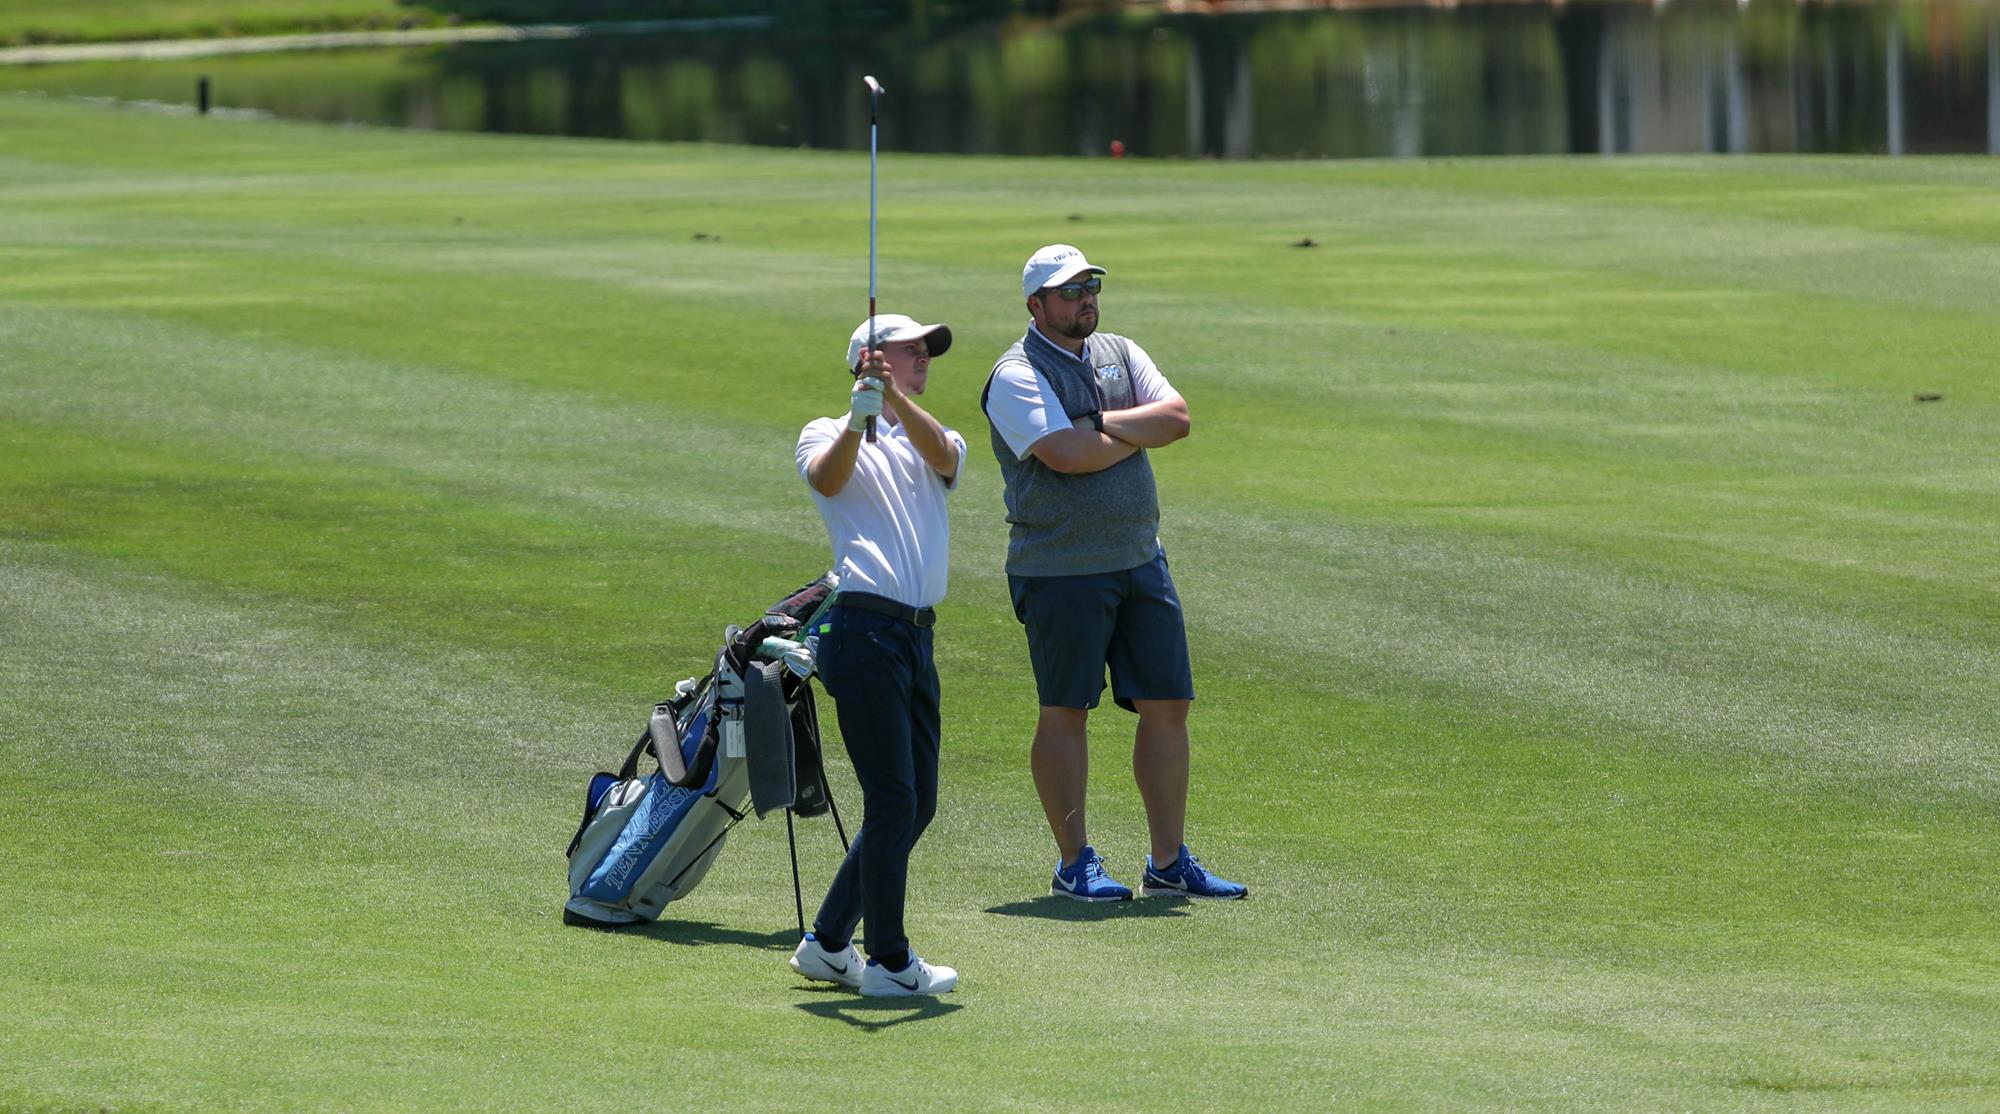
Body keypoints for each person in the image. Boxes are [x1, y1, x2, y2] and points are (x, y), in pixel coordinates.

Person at [980, 244, 1247, 903]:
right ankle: (1075, 863)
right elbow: (1064, 456)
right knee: (1066, 709)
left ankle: (1167, 861)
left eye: (1091, 285)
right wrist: (1131, 430)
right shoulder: (1014, 375)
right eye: (1069, 292)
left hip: (1139, 557)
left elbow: (1176, 420)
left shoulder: (1121, 353)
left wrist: (1099, 420)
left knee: (1168, 705)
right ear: (1036, 306)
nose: (1086, 298)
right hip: (1059, 568)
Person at [787, 313, 966, 996]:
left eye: (927, 352)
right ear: (869, 356)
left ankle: (829, 944)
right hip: (858, 629)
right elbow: (829, 482)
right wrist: (860, 419)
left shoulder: (929, 434)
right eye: (911, 350)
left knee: (915, 803)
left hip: (916, 634)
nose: (924, 358)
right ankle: (889, 962)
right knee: (893, 798)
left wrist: (891, 402)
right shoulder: (823, 432)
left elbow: (947, 458)